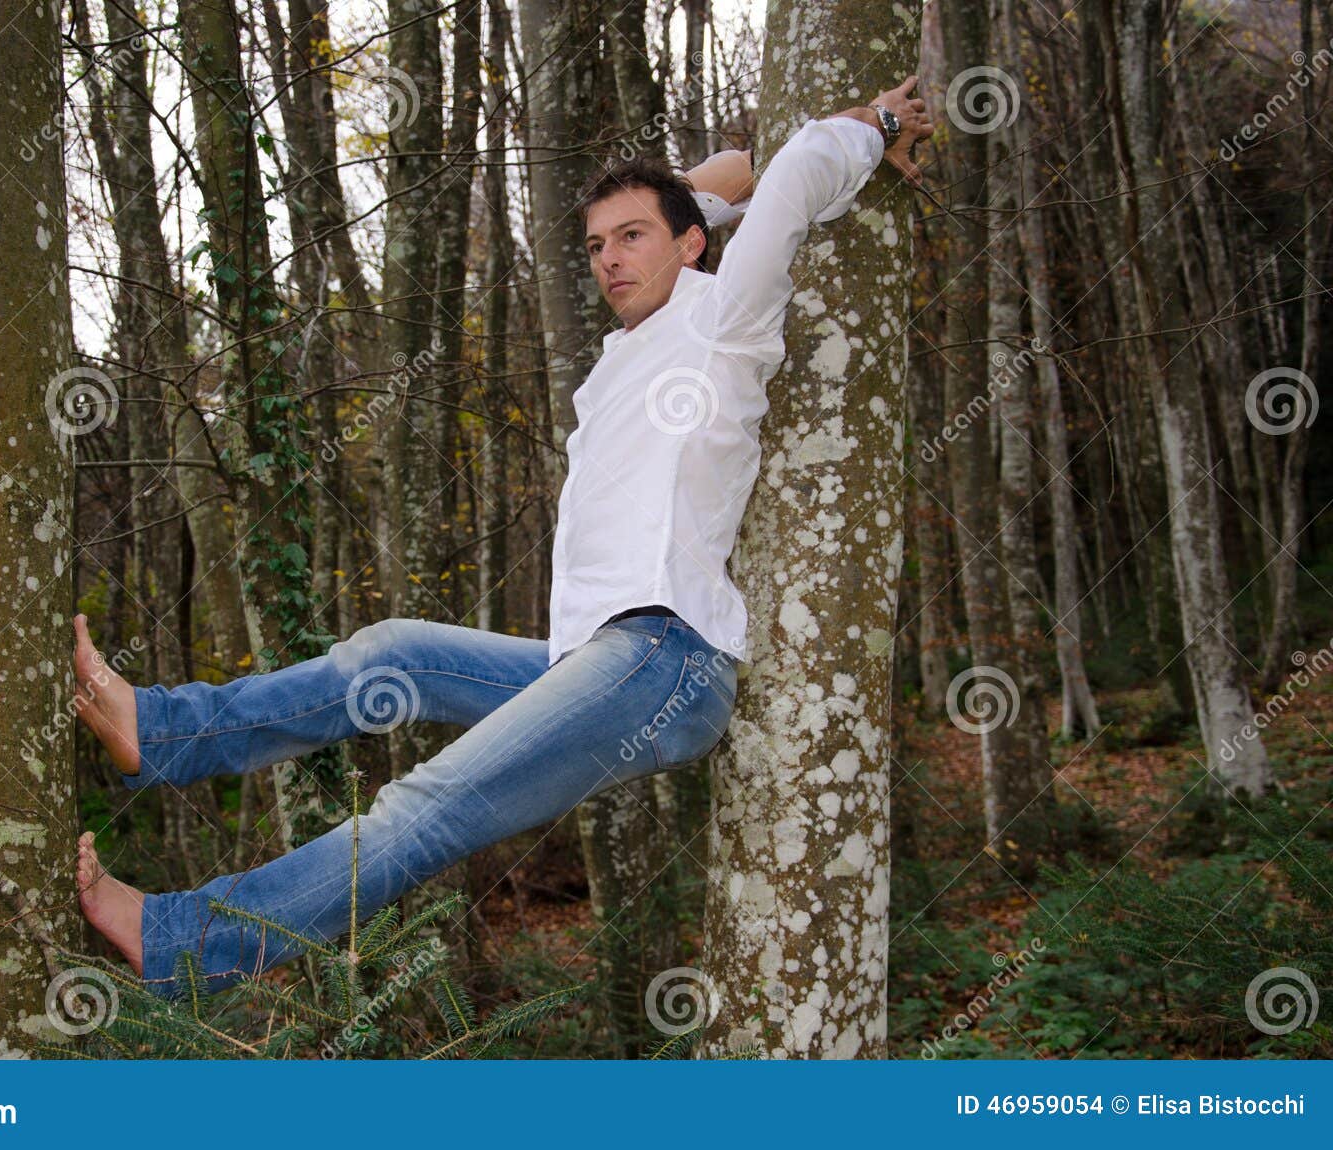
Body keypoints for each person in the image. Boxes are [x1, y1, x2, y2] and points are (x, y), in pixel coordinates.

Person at [72, 78, 934, 996]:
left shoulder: (727, 321)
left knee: (427, 806)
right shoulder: (630, 344)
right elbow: (704, 190)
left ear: (696, 246)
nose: (608, 260)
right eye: (596, 245)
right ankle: (163, 734)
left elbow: (793, 173)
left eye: (632, 238)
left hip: (667, 657)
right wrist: (691, 201)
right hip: (591, 657)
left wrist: (878, 125)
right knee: (388, 656)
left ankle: (186, 944)